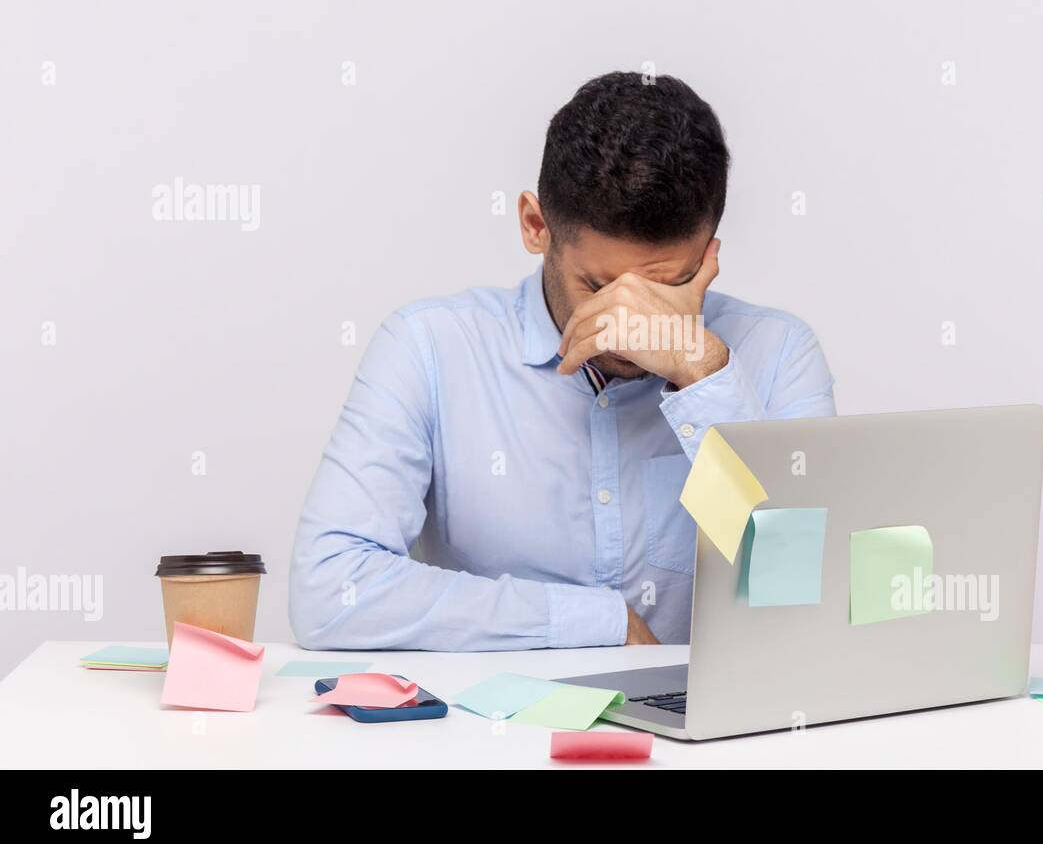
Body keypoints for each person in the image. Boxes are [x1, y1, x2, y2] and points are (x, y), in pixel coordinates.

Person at [289, 72, 835, 651]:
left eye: (669, 286)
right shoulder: (428, 348)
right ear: (535, 226)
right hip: (480, 734)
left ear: (710, 253)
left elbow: (796, 596)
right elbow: (329, 590)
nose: (629, 324)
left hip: (710, 739)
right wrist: (597, 624)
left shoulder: (777, 356)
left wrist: (704, 375)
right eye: (598, 288)